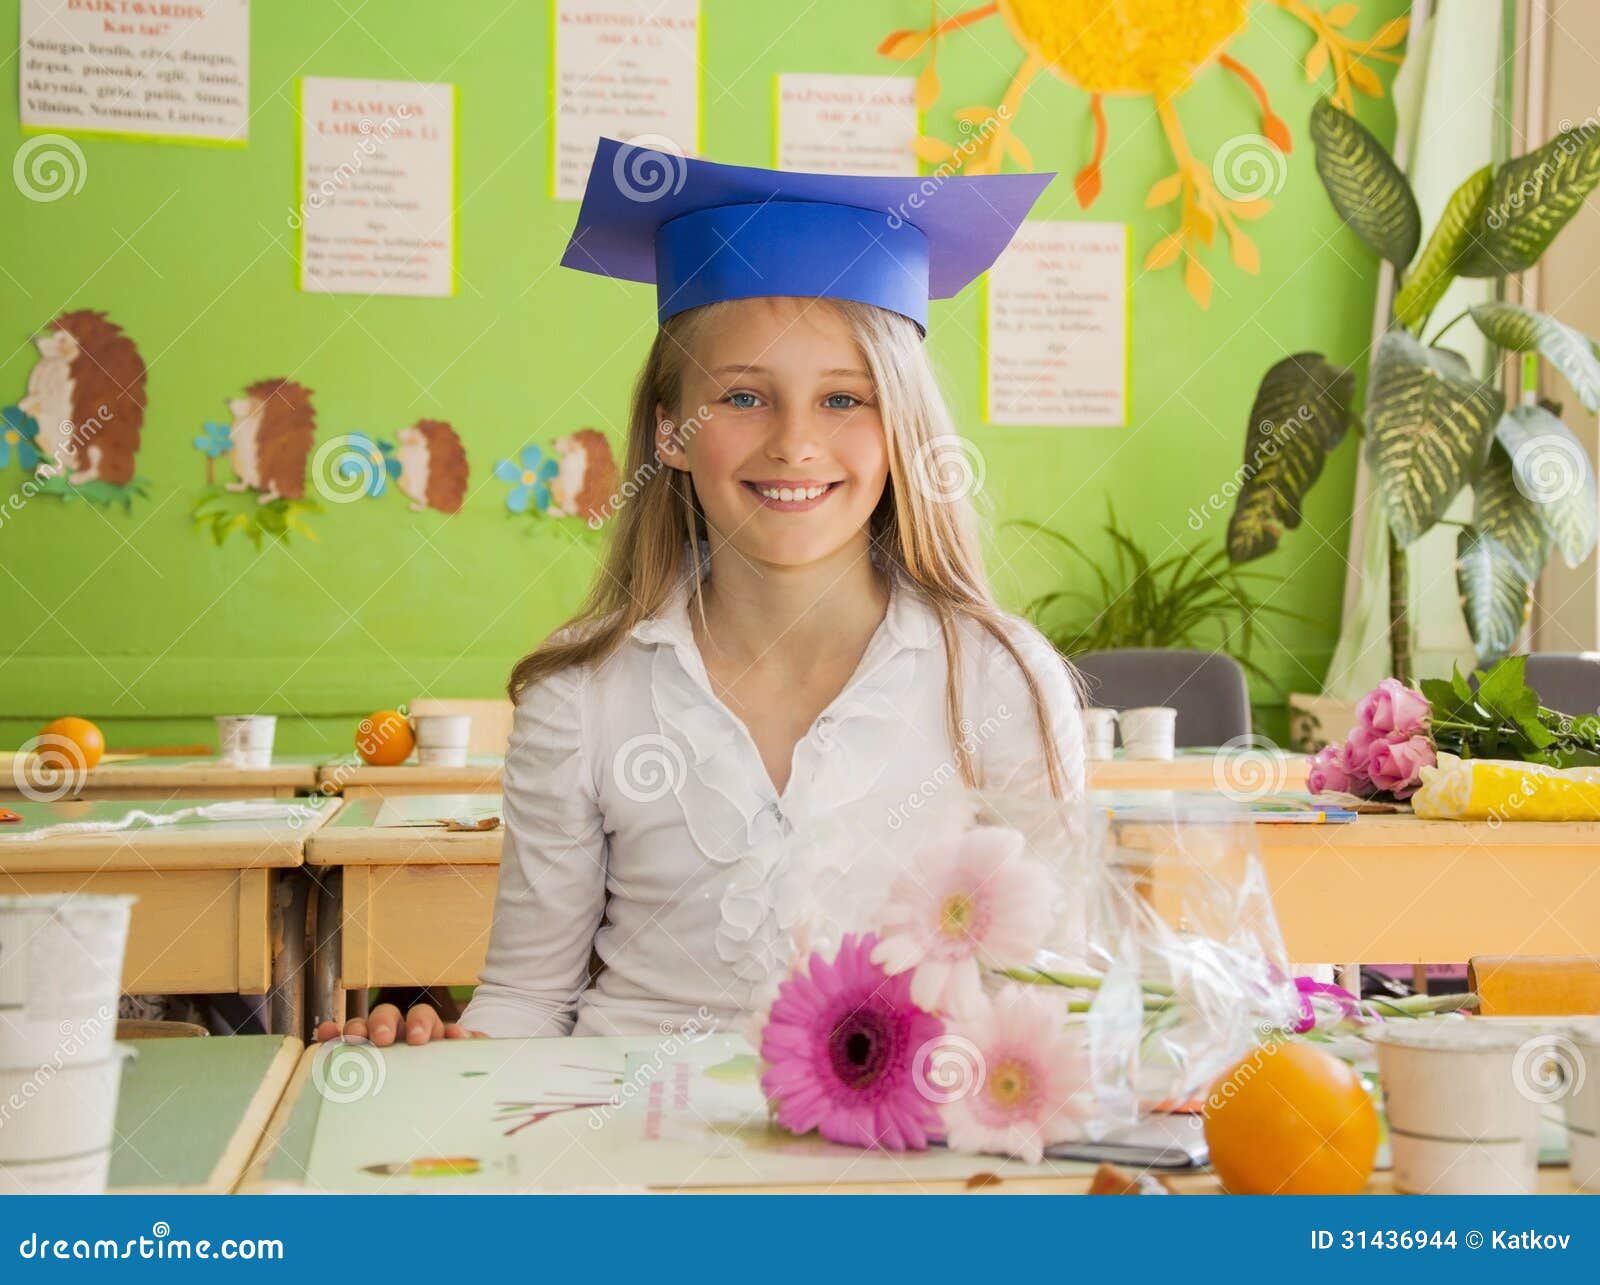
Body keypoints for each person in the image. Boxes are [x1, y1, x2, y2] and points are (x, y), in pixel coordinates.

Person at [317, 139, 1085, 1048]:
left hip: (893, 1163)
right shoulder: (585, 693)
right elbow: (528, 998)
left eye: (845, 399)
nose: (795, 443)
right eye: (743, 397)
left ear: (904, 431)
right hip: (626, 1160)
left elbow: (1059, 984)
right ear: (670, 431)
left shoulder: (996, 682)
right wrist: (439, 1057)